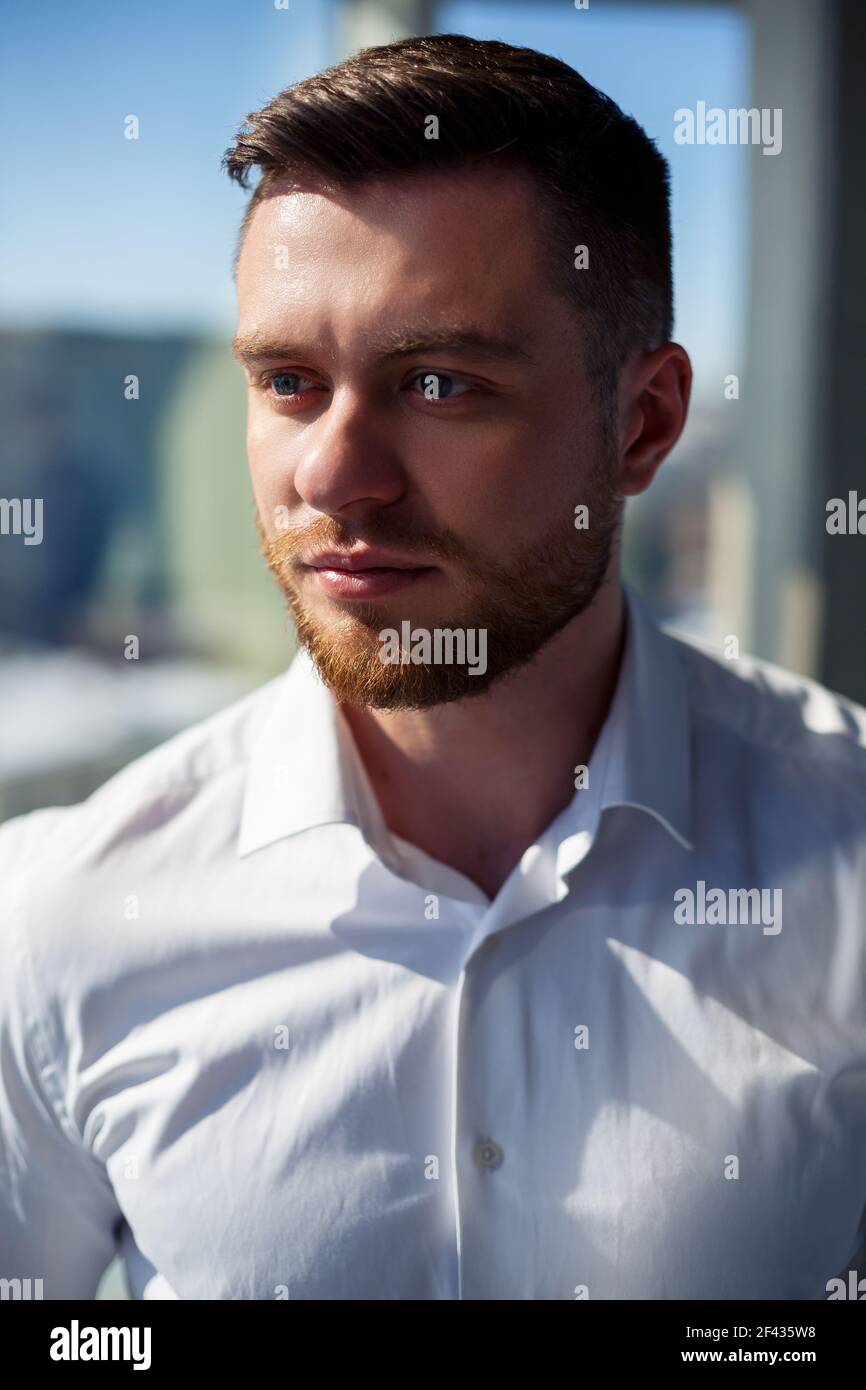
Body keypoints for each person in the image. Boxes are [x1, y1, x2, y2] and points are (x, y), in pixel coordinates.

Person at [1, 33, 864, 1301]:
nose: (334, 477)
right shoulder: (60, 919)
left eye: (442, 382)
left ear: (643, 423)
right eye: (288, 381)